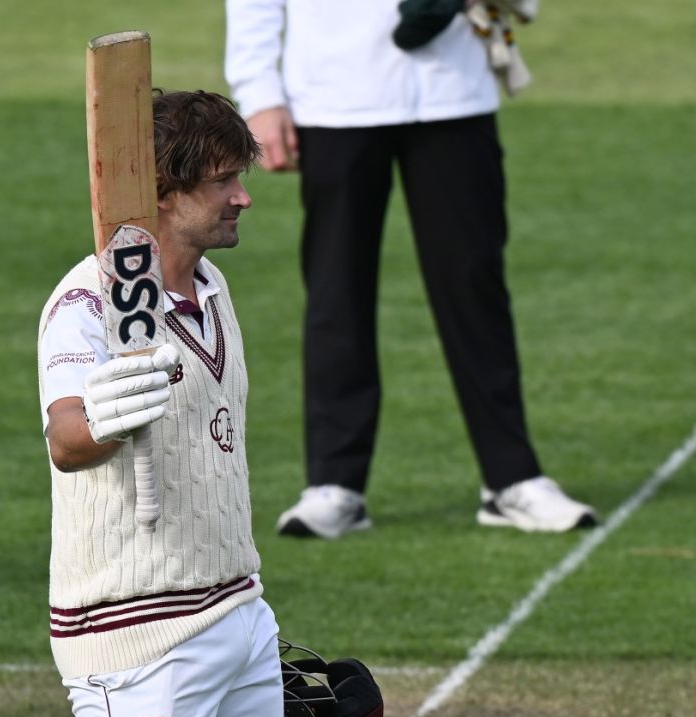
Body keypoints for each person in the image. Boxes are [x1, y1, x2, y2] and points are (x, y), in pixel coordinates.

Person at [224, 0, 597, 538]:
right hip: (335, 94)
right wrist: (259, 94)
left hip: (454, 92)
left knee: (475, 288)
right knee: (337, 291)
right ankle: (335, 484)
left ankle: (512, 478)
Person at [37, 89, 290, 717]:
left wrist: (247, 614)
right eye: (221, 182)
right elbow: (66, 439)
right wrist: (107, 417)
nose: (242, 197)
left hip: (238, 609)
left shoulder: (213, 291)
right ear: (163, 192)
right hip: (140, 637)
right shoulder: (86, 305)